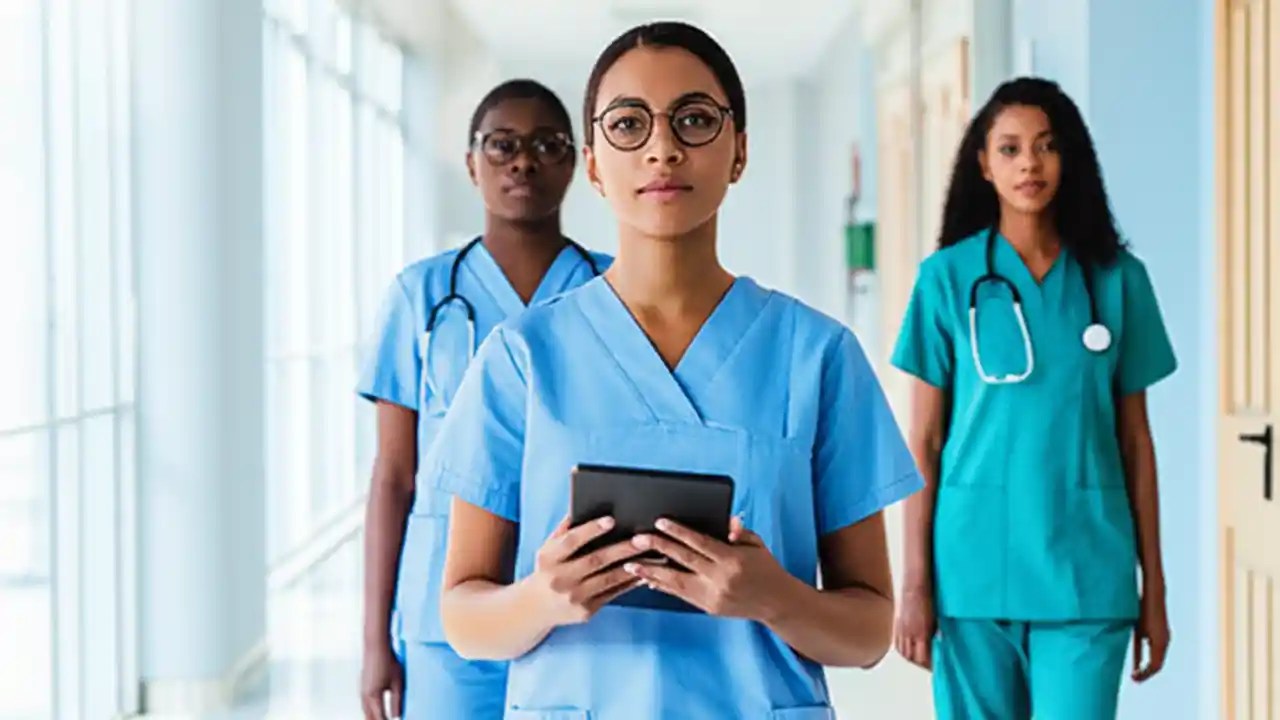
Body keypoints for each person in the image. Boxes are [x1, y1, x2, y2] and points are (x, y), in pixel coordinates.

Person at [419, 21, 923, 720]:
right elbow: (464, 616)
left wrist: (772, 597)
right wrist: (543, 597)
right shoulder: (521, 357)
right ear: (593, 162)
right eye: (629, 124)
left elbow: (869, 631)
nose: (663, 148)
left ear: (739, 150)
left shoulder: (818, 356)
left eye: (693, 119)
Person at [890, 77, 1176, 719]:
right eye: (1011, 148)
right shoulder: (945, 281)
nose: (1030, 164)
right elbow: (924, 444)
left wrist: (1153, 586)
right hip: (971, 572)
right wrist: (912, 584)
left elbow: (1136, 442)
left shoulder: (1118, 281)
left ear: (1069, 159)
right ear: (984, 164)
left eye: (1046, 147)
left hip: (1087, 574)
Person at [356, 79, 611, 720]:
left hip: (582, 604)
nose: (523, 160)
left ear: (576, 163)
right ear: (472, 163)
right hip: (444, 616)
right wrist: (373, 642)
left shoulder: (614, 289)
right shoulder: (420, 295)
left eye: (548, 145)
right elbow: (393, 477)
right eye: (502, 145)